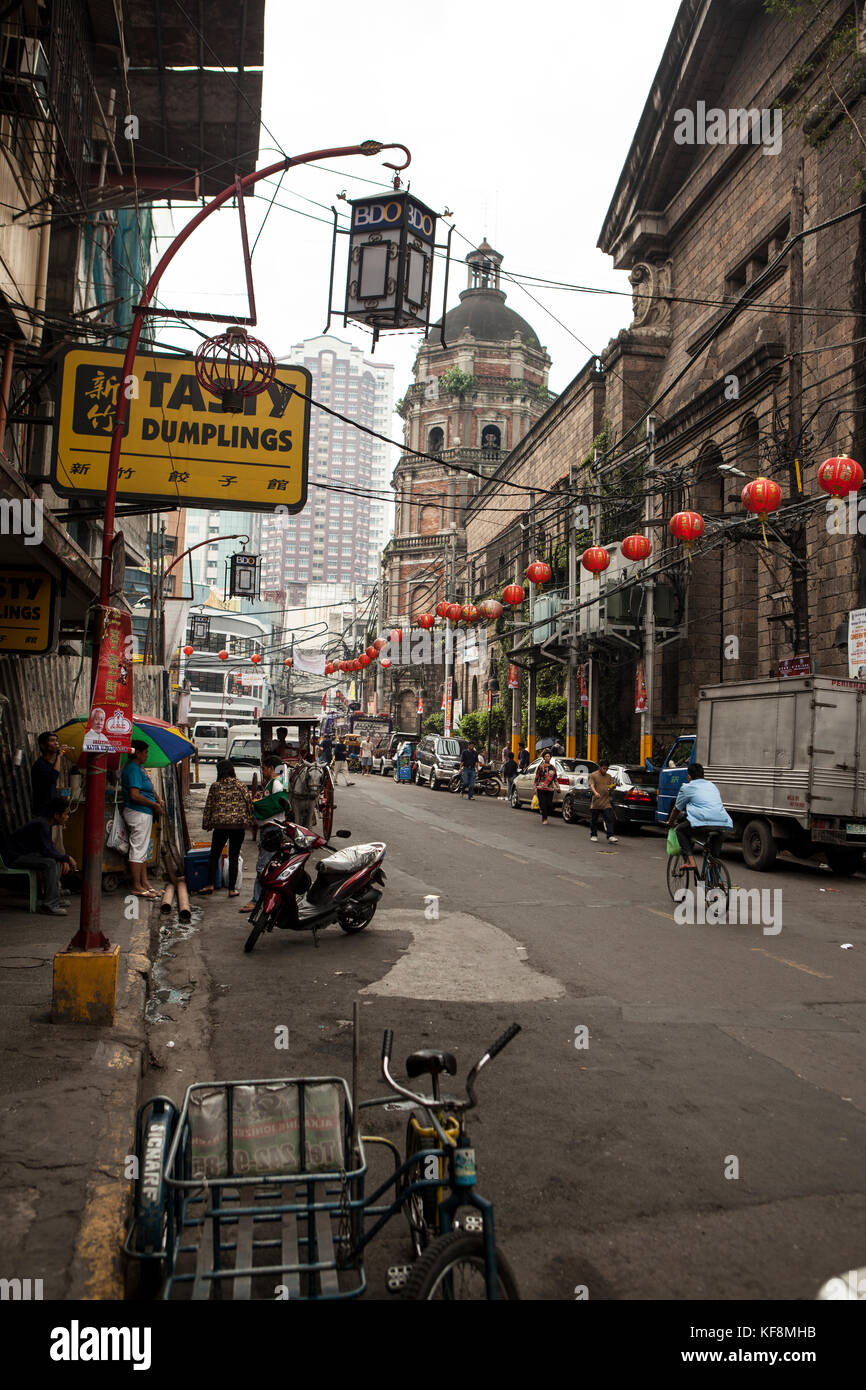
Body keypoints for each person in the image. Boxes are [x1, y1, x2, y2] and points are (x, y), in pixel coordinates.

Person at [3, 797, 77, 915]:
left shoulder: (45, 823)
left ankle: (54, 898)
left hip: (23, 855)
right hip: (14, 858)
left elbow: (49, 849)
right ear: (56, 815)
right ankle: (50, 905)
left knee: (54, 859)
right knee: (50, 863)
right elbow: (47, 851)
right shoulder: (42, 824)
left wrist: (63, 858)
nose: (67, 817)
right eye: (65, 814)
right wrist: (67, 858)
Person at [240, 754, 289, 913]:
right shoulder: (277, 782)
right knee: (271, 865)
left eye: (264, 768)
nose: (263, 771)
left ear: (270, 768)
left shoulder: (276, 784)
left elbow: (277, 804)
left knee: (263, 866)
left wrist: (257, 805)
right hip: (272, 828)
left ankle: (257, 900)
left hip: (272, 829)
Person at [199, 760, 255, 898]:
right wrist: (251, 821)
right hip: (238, 826)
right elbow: (249, 804)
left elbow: (209, 806)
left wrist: (206, 824)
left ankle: (210, 884)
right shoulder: (240, 785)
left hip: (220, 826)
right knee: (233, 856)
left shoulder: (215, 786)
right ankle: (231, 889)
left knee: (214, 855)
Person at [668, 762, 733, 870]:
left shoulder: (687, 788)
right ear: (703, 775)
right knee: (713, 857)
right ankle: (715, 881)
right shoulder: (712, 786)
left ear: (689, 776)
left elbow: (676, 809)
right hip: (723, 824)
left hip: (703, 823)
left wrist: (670, 822)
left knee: (680, 830)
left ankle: (691, 862)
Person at [121, 740, 165, 897]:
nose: (147, 755)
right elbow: (135, 795)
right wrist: (154, 805)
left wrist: (157, 800)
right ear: (137, 753)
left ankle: (144, 883)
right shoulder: (133, 769)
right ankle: (136, 885)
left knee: (143, 849)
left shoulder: (140, 768)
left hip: (144, 812)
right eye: (145, 752)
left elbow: (148, 789)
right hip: (137, 812)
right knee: (138, 849)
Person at [31, 731, 73, 817]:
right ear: (43, 745)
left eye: (57, 740)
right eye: (52, 740)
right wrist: (59, 756)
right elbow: (53, 778)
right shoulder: (40, 764)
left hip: (49, 810)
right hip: (42, 810)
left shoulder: (49, 764)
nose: (56, 743)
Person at [589, 761, 619, 843]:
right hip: (596, 802)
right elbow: (591, 786)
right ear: (599, 767)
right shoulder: (593, 775)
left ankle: (610, 836)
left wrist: (613, 787)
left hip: (606, 801)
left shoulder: (609, 776)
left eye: (606, 769)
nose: (605, 770)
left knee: (609, 818)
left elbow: (610, 788)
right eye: (604, 768)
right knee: (594, 820)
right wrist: (595, 793)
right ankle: (594, 835)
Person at [534, 749, 557, 825]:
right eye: (546, 756)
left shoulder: (553, 768)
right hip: (541, 787)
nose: (547, 758)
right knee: (543, 803)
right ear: (544, 757)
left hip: (550, 788)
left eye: (548, 756)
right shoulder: (540, 767)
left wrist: (558, 787)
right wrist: (535, 787)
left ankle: (545, 813)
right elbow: (537, 778)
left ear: (550, 757)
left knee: (549, 804)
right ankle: (544, 818)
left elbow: (555, 779)